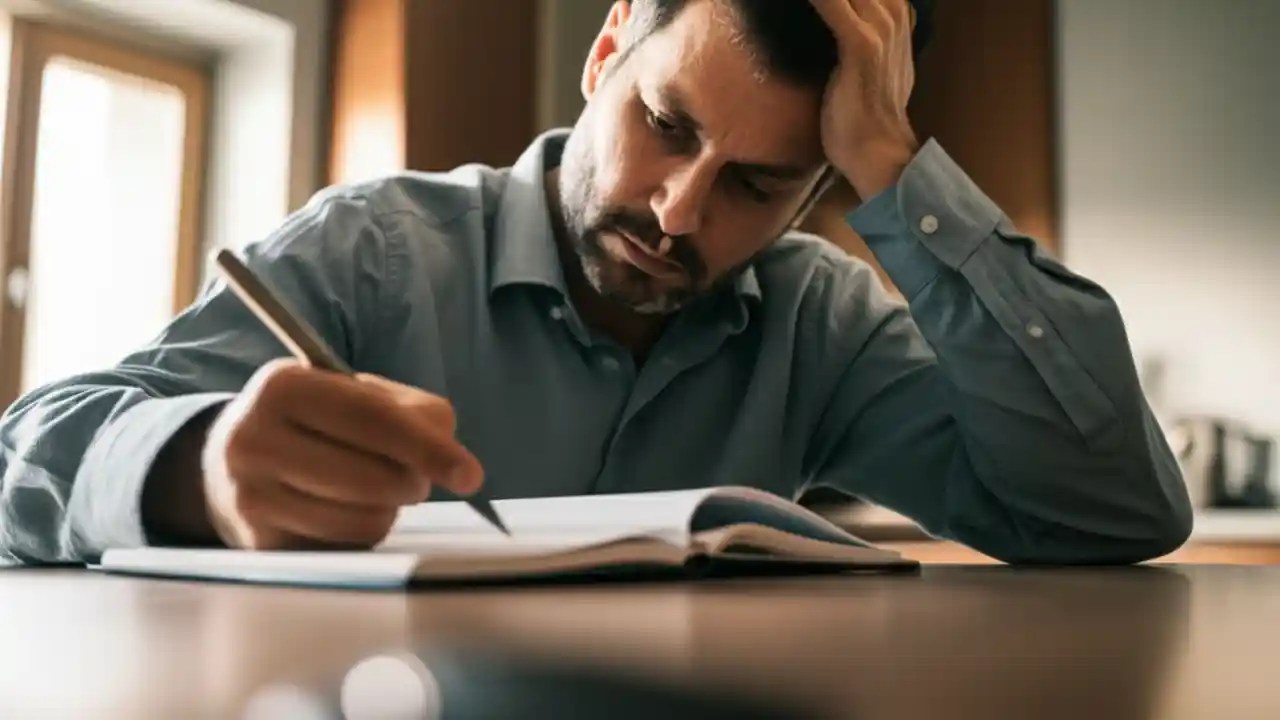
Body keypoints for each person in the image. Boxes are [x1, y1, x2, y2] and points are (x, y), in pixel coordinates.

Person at [0, 0, 1190, 564]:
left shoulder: (821, 325)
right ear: (607, 47)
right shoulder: (376, 250)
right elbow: (26, 454)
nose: (678, 211)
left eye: (758, 186)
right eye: (666, 124)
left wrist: (897, 165)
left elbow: (1111, 515)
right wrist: (195, 469)